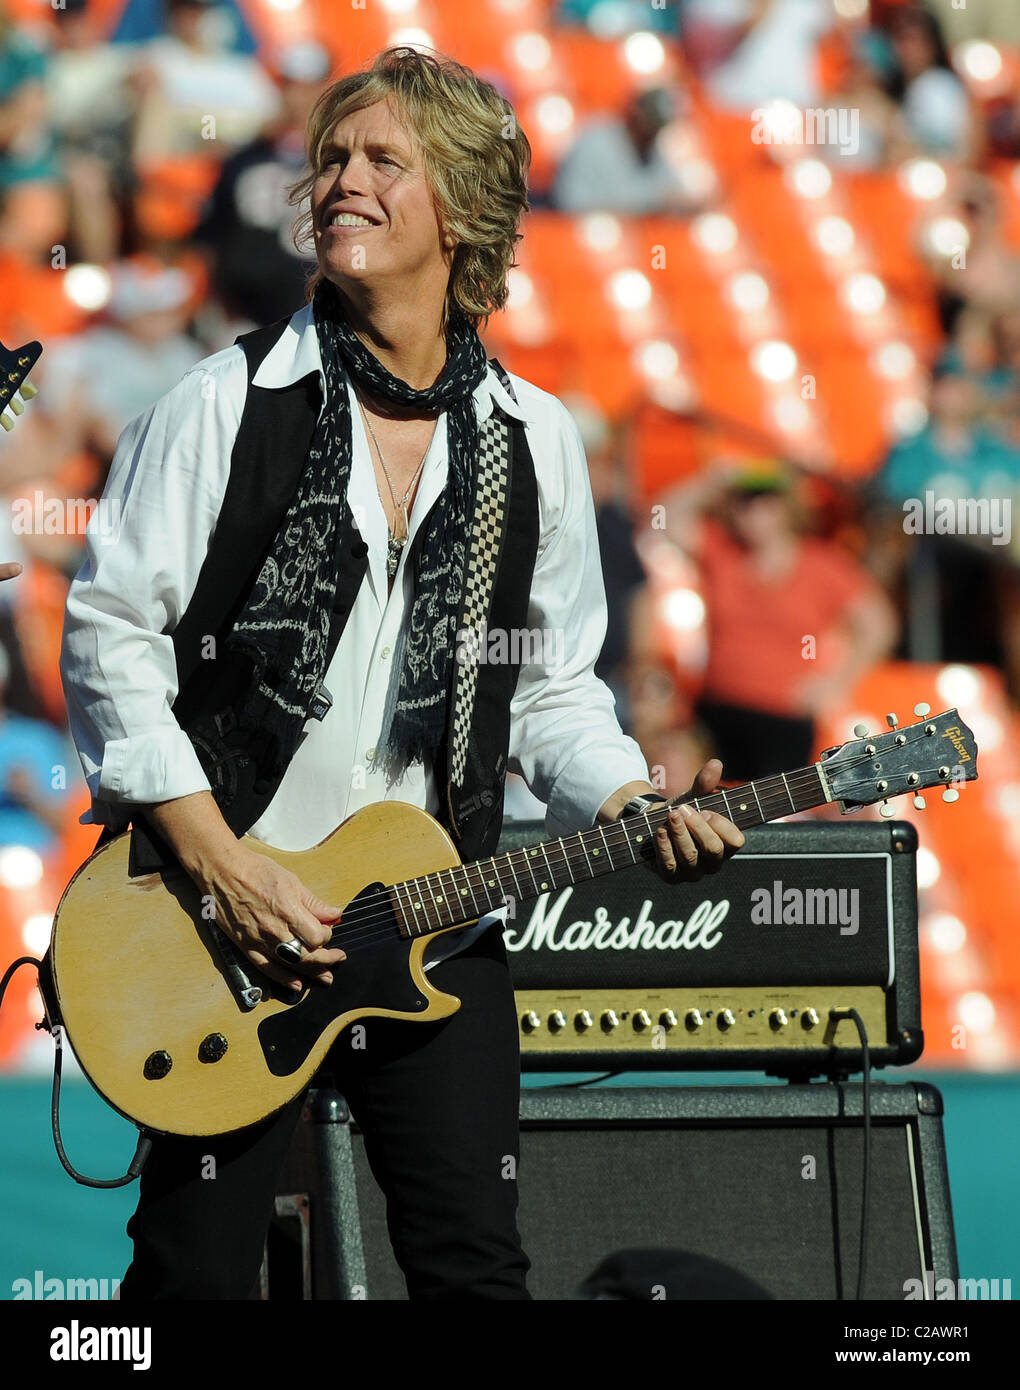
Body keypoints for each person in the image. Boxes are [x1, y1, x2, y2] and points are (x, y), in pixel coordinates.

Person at [59, 46, 746, 1302]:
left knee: (476, 1275)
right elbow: (108, 632)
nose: (341, 182)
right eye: (332, 158)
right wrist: (218, 859)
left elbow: (549, 692)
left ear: (466, 210)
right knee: (189, 1282)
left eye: (385, 160)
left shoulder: (534, 438)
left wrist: (630, 804)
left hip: (436, 924)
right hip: (223, 922)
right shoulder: (222, 404)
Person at [659, 459, 897, 780]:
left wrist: (836, 683)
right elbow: (664, 517)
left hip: (784, 718)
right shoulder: (721, 552)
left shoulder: (822, 565)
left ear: (787, 508)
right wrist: (714, 481)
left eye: (766, 503)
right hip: (717, 710)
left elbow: (879, 624)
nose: (755, 514)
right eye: (745, 503)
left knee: (774, 817)